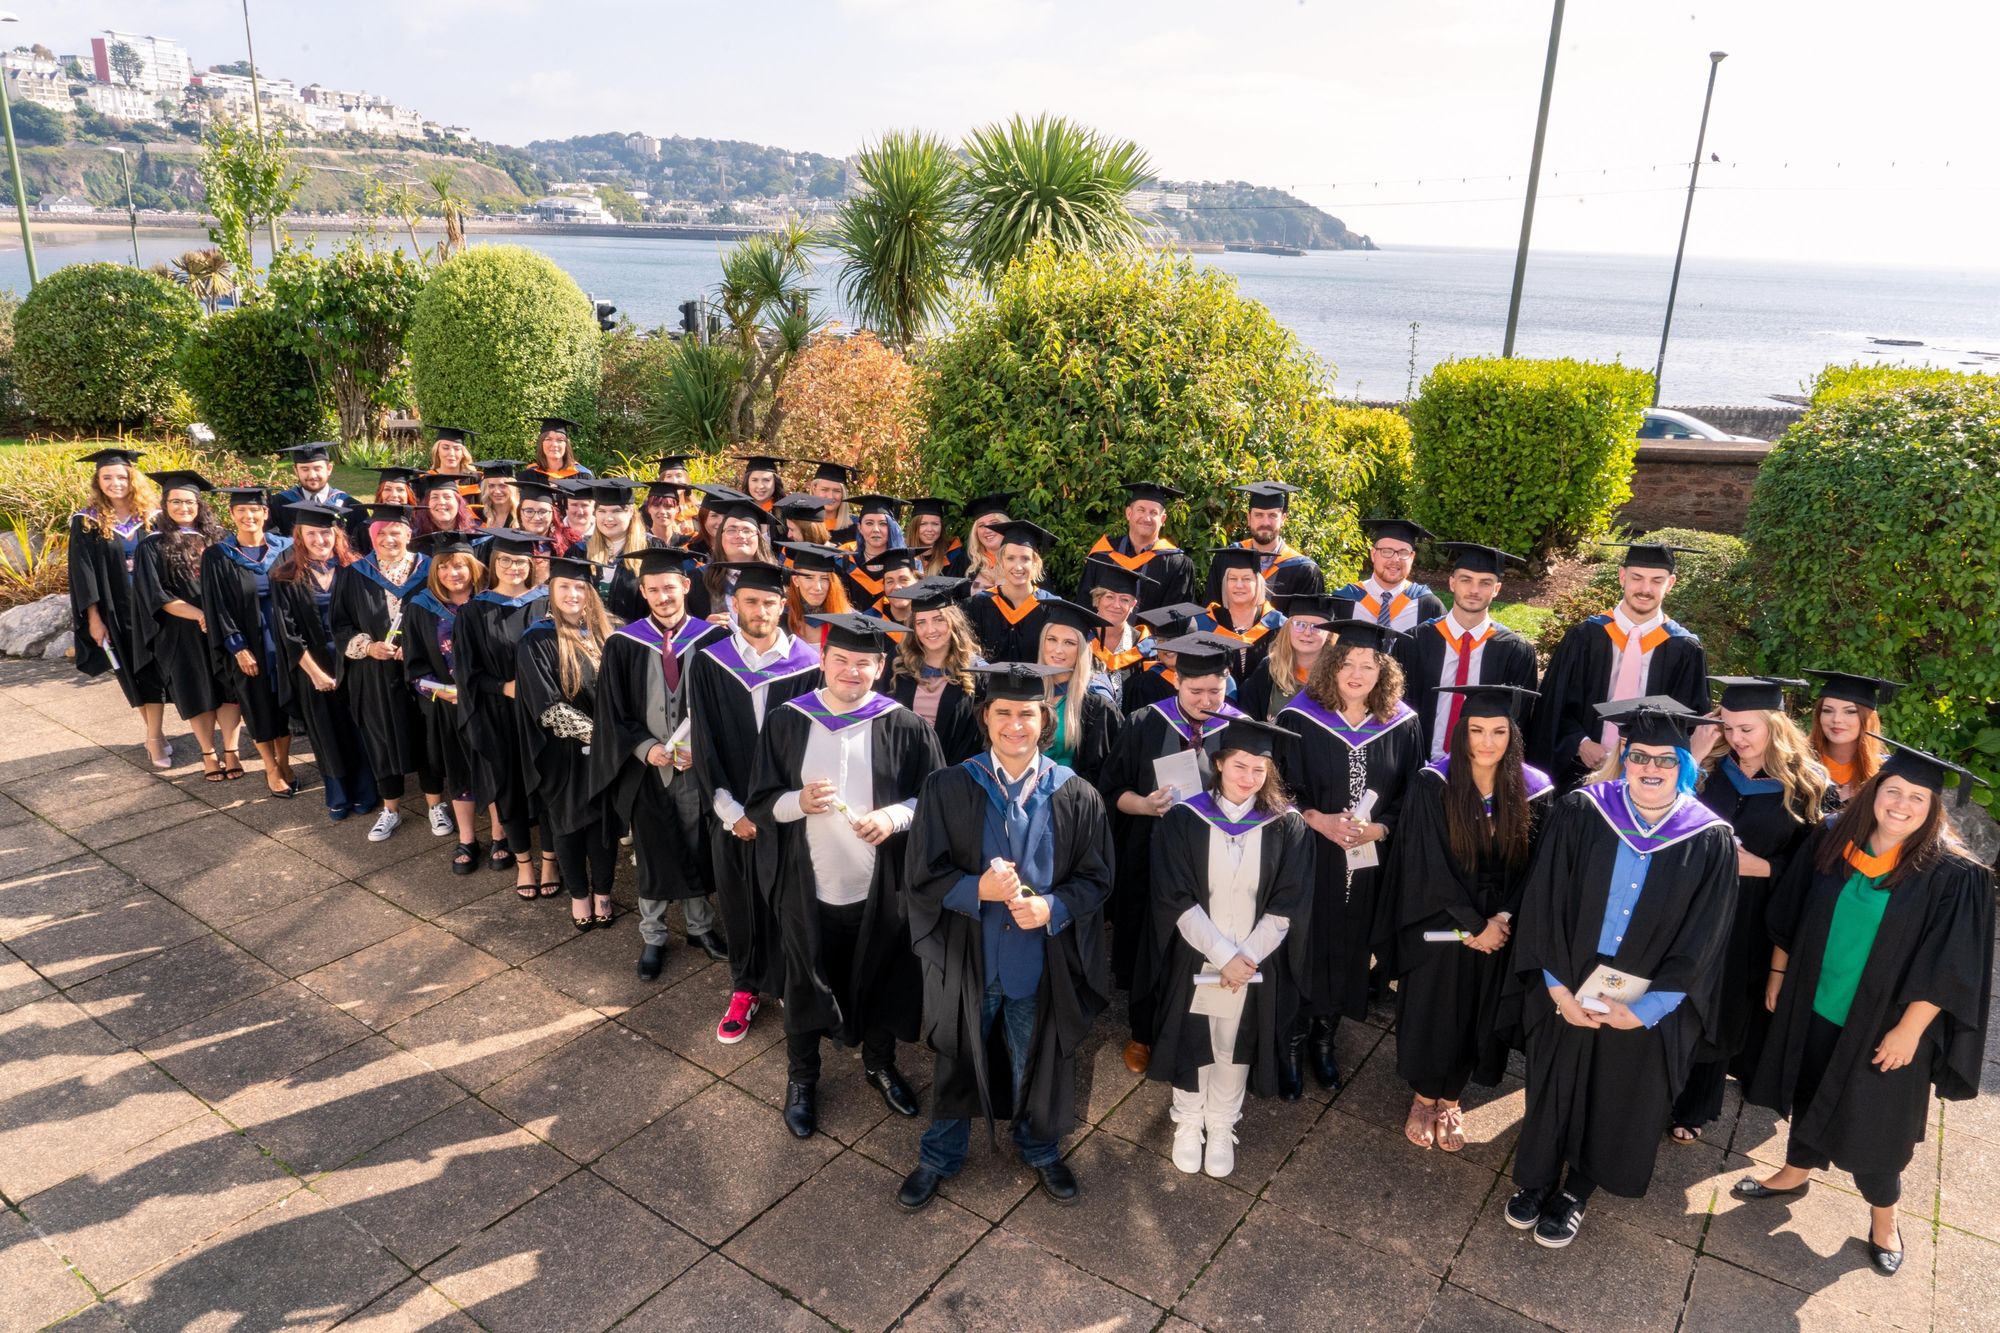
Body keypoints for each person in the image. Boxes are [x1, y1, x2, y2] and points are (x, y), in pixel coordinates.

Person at [1737, 739, 1993, 1278]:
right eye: (1892, 790)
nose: (1901, 805)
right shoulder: (1833, 839)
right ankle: (1794, 1170)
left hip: (1887, 1025)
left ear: (1933, 809)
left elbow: (1949, 965)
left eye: (1917, 799)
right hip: (1816, 1002)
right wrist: (1780, 975)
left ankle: (1885, 1218)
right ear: (1875, 791)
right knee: (1809, 1085)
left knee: (1879, 1124)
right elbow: (1794, 911)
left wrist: (1909, 1031)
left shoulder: (1951, 876)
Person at [1505, 697, 1739, 1250]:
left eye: (1664, 759)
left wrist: (1646, 1011)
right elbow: (1546, 899)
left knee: (1618, 1093)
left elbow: (1706, 938)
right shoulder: (1584, 810)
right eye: (1639, 757)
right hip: (1570, 978)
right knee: (1553, 1081)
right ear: (1624, 757)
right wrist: (1558, 990)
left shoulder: (1708, 837)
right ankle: (1537, 1178)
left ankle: (1577, 1189)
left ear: (1684, 764)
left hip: (1644, 996)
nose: (1650, 769)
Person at [897, 662, 1115, 1211]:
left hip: (1038, 960)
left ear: (1044, 720)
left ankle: (1039, 1146)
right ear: (984, 718)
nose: (1015, 725)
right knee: (955, 1054)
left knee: (1036, 1056)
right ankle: (940, 1156)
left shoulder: (1077, 794)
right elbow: (921, 875)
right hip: (968, 955)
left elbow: (1097, 878)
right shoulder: (949, 786)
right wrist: (978, 890)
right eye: (1003, 714)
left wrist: (1052, 906)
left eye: (1026, 714)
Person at [746, 613, 944, 1136]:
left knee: (879, 971)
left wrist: (894, 816)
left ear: (880, 667)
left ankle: (878, 1064)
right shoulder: (788, 720)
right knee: (806, 979)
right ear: (824, 661)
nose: (850, 672)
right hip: (806, 885)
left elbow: (935, 801)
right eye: (840, 660)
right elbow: (762, 802)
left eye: (863, 663)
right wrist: (799, 801)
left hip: (880, 888)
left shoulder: (903, 724)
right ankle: (802, 1078)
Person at [1384, 684, 1551, 1152]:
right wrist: (1474, 924)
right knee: (1434, 1007)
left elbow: (1537, 866)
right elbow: (1425, 862)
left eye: (1499, 731)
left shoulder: (1533, 790)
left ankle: (1452, 1096)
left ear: (1513, 735)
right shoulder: (1433, 783)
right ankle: (1423, 1095)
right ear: (1462, 733)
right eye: (1477, 730)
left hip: (1500, 924)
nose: (1487, 741)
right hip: (1438, 916)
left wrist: (1502, 916)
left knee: (1479, 1009)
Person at [1147, 716, 1313, 1178]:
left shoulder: (1286, 826)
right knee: (1194, 1037)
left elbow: (1289, 903)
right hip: (1196, 953)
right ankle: (1187, 1120)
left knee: (1236, 1043)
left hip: (1256, 963)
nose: (1249, 777)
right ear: (1218, 763)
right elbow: (1173, 896)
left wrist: (1246, 959)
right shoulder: (1186, 817)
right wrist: (1222, 955)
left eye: (1260, 768)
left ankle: (1221, 1123)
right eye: (1240, 765)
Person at [1666, 676, 1828, 1144]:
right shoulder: (1713, 769)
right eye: (1730, 727)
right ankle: (1658, 1086)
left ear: (1775, 726)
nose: (1737, 738)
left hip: (1751, 914)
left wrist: (1766, 868)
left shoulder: (1806, 786)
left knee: (1726, 1005)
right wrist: (1694, 756)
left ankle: (1694, 1105)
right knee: (1678, 992)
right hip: (1692, 903)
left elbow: (1812, 868)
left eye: (1747, 729)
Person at [1274, 618, 1422, 1096]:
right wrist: (1317, 819)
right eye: (1348, 664)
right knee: (1306, 942)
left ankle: (1325, 1039)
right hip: (1311, 855)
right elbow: (1275, 790)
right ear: (1332, 667)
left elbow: (1412, 797)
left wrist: (1379, 829)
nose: (1357, 674)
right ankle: (1293, 1041)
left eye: (1368, 666)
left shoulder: (1402, 724)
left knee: (1351, 945)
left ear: (1384, 673)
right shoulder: (1300, 718)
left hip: (1367, 862)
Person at [687, 561, 823, 1044]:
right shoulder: (710, 661)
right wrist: (732, 812)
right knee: (740, 899)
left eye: (769, 602)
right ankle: (745, 987)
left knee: (790, 900)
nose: (760, 610)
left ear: (782, 607)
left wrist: (789, 807)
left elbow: (815, 746)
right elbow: (705, 743)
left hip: (792, 811)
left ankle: (788, 981)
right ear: (734, 605)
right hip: (735, 810)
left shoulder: (810, 663)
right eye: (750, 601)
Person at [1099, 631, 1245, 1074]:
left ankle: (1194, 1031)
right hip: (1150, 854)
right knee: (1149, 942)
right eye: (1195, 690)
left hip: (1214, 860)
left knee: (1203, 945)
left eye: (1215, 691)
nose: (1205, 700)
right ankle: (1142, 1033)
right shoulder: (1144, 722)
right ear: (1175, 681)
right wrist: (1143, 805)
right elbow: (1112, 790)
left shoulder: (1238, 728)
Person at [588, 548, 729, 977]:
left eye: (670, 587)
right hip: (646, 769)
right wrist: (645, 748)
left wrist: (700, 750)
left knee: (694, 844)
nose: (662, 596)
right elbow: (611, 712)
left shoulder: (714, 641)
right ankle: (653, 935)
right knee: (651, 851)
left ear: (686, 586)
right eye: (653, 590)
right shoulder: (624, 643)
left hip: (694, 768)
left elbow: (726, 710)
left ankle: (700, 927)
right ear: (644, 593)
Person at [1530, 543, 1710, 791]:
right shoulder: (1584, 637)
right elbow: (1554, 705)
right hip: (1578, 772)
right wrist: (1580, 743)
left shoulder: (1684, 648)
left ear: (1670, 584)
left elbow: (1688, 722)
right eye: (1637, 577)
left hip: (1649, 780)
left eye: (1657, 580)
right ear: (1622, 576)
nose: (1646, 589)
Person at [517, 557, 620, 929]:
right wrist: (604, 736)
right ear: (552, 590)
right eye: (564, 587)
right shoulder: (537, 639)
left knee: (604, 826)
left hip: (606, 756)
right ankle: (579, 896)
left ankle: (604, 893)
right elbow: (546, 707)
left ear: (590, 592)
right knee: (569, 826)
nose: (573, 594)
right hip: (562, 754)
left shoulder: (610, 633)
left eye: (580, 587)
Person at [456, 530, 556, 898]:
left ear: (531, 564)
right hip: (499, 714)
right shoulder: (474, 611)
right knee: (509, 788)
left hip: (544, 714)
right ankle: (524, 863)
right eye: (505, 561)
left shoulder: (548, 604)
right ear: (493, 563)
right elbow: (467, 674)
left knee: (547, 786)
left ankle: (550, 860)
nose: (513, 567)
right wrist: (504, 687)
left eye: (520, 561)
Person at [269, 503, 380, 822]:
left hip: (354, 662)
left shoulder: (355, 569)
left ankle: (365, 789)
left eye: (325, 532)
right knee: (325, 732)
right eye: (312, 533)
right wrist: (315, 673)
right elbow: (287, 634)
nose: (320, 539)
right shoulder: (284, 577)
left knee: (359, 728)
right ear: (300, 536)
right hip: (312, 666)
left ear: (336, 534)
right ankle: (338, 793)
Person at [333, 503, 436, 843]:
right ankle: (390, 809)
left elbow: (447, 618)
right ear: (371, 537)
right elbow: (340, 625)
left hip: (422, 671)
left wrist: (420, 648)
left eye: (396, 532)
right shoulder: (354, 573)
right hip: (374, 674)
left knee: (427, 735)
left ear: (409, 534)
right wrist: (368, 646)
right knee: (381, 739)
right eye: (382, 534)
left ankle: (436, 804)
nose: (389, 539)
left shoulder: (430, 570)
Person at [67, 448, 171, 767]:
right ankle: (155, 734)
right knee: (129, 671)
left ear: (133, 479)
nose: (116, 482)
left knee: (153, 671)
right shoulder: (86, 522)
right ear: (98, 481)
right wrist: (94, 618)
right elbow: (81, 574)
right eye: (107, 477)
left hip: (152, 608)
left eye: (122, 476)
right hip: (115, 611)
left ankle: (153, 737)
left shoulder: (153, 517)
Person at [133, 471, 237, 781]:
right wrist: (199, 615)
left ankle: (231, 750)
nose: (183, 507)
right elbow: (156, 594)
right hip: (180, 631)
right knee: (196, 690)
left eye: (189, 501)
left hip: (221, 625)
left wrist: (217, 616)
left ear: (199, 503)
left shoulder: (219, 538)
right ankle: (208, 752)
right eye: (175, 501)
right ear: (164, 505)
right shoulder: (151, 545)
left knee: (228, 688)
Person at [1395, 543, 1540, 760]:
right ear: (1452, 583)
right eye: (1466, 579)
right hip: (1418, 763)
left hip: (1482, 769)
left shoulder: (1516, 652)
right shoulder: (1414, 642)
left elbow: (1518, 723)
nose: (1474, 590)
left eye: (1485, 583)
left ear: (1497, 589)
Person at [199, 487, 298, 797]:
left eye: (255, 510)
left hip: (282, 639)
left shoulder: (286, 548)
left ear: (265, 513)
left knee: (283, 702)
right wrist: (237, 647)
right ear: (232, 515)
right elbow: (217, 607)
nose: (248, 516)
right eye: (241, 511)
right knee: (256, 704)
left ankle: (284, 760)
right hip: (248, 642)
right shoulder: (218, 556)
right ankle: (270, 765)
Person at [403, 536, 486, 873]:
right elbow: (415, 667)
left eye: (461, 565)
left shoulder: (490, 601)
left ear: (473, 567)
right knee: (460, 771)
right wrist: (443, 691)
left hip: (489, 703)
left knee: (494, 768)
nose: (454, 572)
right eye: (446, 566)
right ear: (435, 571)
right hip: (449, 705)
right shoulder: (420, 607)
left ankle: (500, 835)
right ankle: (467, 838)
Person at [885, 577, 984, 765]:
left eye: (938, 620)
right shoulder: (898, 664)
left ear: (953, 622)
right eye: (921, 622)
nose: (930, 630)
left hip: (952, 773)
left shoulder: (975, 671)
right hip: (900, 768)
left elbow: (976, 737)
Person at [1036, 599, 1123, 786]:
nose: (1058, 650)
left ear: (1082, 649)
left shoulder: (1096, 705)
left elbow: (1102, 774)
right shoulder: (1027, 690)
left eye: (1069, 643)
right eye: (1052, 639)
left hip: (1068, 801)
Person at [1204, 481, 1325, 613]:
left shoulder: (1304, 570)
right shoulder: (1225, 558)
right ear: (1249, 518)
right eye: (1259, 515)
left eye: (1273, 515)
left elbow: (1308, 621)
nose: (1265, 522)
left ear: (1283, 518)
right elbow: (1210, 609)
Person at [1075, 481, 1195, 612]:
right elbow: (1084, 604)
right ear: (1129, 513)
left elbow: (1174, 617)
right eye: (1141, 510)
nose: (1146, 518)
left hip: (1152, 633)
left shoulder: (1177, 565)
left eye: (1153, 513)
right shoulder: (1102, 554)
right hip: (1100, 632)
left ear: (1163, 519)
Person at [962, 520, 1060, 663]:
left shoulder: (1053, 608)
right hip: (988, 685)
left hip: (1039, 685)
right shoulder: (977, 605)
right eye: (1010, 558)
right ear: (1001, 561)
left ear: (1035, 563)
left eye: (1025, 559)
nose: (1018, 567)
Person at [1238, 593, 1341, 721]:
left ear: (1329, 635)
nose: (1307, 633)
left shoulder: (1339, 674)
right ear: (1288, 628)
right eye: (1300, 624)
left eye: (1317, 627)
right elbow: (1247, 717)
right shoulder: (1270, 668)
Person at [1803, 669, 1898, 807]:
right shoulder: (1798, 763)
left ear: (1868, 719)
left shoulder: (1885, 772)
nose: (1836, 719)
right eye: (1828, 710)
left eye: (1850, 711)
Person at [1333, 517, 1445, 633]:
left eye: (1403, 552)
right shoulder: (1344, 599)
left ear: (1412, 557)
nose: (1395, 559)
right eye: (1387, 551)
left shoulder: (1428, 606)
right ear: (1373, 554)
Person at [1195, 547, 1286, 683]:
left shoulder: (1277, 624)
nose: (1239, 585)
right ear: (1225, 583)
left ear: (1257, 583)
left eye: (1246, 579)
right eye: (1232, 578)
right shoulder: (1204, 623)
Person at [572, 479, 648, 621]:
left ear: (630, 511)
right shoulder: (580, 551)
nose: (608, 518)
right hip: (589, 635)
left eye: (616, 511)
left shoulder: (651, 550)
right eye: (602, 511)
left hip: (636, 636)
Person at [1080, 557, 1152, 696]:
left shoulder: (1143, 644)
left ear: (1132, 605)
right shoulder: (1080, 636)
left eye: (1124, 599)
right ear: (1098, 599)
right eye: (1109, 597)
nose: (1116, 605)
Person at [1120, 602, 1209, 714]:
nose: (1168, 648)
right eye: (1162, 640)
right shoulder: (1143, 685)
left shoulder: (1211, 680)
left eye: (1177, 641)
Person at [268, 442, 367, 541]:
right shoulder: (278, 504)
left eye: (317, 468)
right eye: (305, 469)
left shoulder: (352, 507)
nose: (312, 475)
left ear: (329, 469)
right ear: (296, 470)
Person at [776, 542, 853, 641]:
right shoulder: (779, 618)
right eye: (809, 578)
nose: (817, 587)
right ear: (796, 580)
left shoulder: (848, 619)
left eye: (824, 578)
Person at [952, 492, 1012, 587]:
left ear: (1006, 525)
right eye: (981, 525)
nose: (987, 530)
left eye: (994, 523)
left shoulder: (1022, 558)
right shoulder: (964, 562)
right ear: (976, 532)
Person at [522, 416, 593, 484]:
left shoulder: (583, 476)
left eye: (560, 440)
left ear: (566, 445)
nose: (554, 444)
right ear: (541, 443)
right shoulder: (529, 476)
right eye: (548, 439)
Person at [411, 474, 478, 541]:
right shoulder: (414, 539)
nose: (441, 502)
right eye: (435, 497)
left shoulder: (475, 539)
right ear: (427, 503)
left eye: (447, 497)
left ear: (458, 502)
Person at [425, 426, 482, 504]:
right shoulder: (426, 479)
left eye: (457, 448)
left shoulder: (476, 480)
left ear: (463, 453)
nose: (451, 454)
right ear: (437, 451)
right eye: (445, 448)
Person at [807, 459, 858, 544]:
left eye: (837, 491)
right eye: (824, 489)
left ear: (843, 494)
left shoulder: (856, 527)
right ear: (814, 489)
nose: (830, 496)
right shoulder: (801, 525)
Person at [908, 496, 955, 575]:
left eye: (935, 524)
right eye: (923, 524)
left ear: (941, 527)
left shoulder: (953, 558)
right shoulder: (902, 557)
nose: (929, 529)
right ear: (914, 527)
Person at [474, 460, 524, 533]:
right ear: (486, 488)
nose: (497, 491)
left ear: (512, 488)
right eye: (491, 486)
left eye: (502, 486)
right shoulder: (478, 516)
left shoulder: (522, 516)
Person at [513, 478, 562, 543]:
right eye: (529, 511)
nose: (536, 518)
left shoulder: (567, 545)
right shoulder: (507, 546)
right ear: (520, 514)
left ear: (553, 514)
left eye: (543, 511)